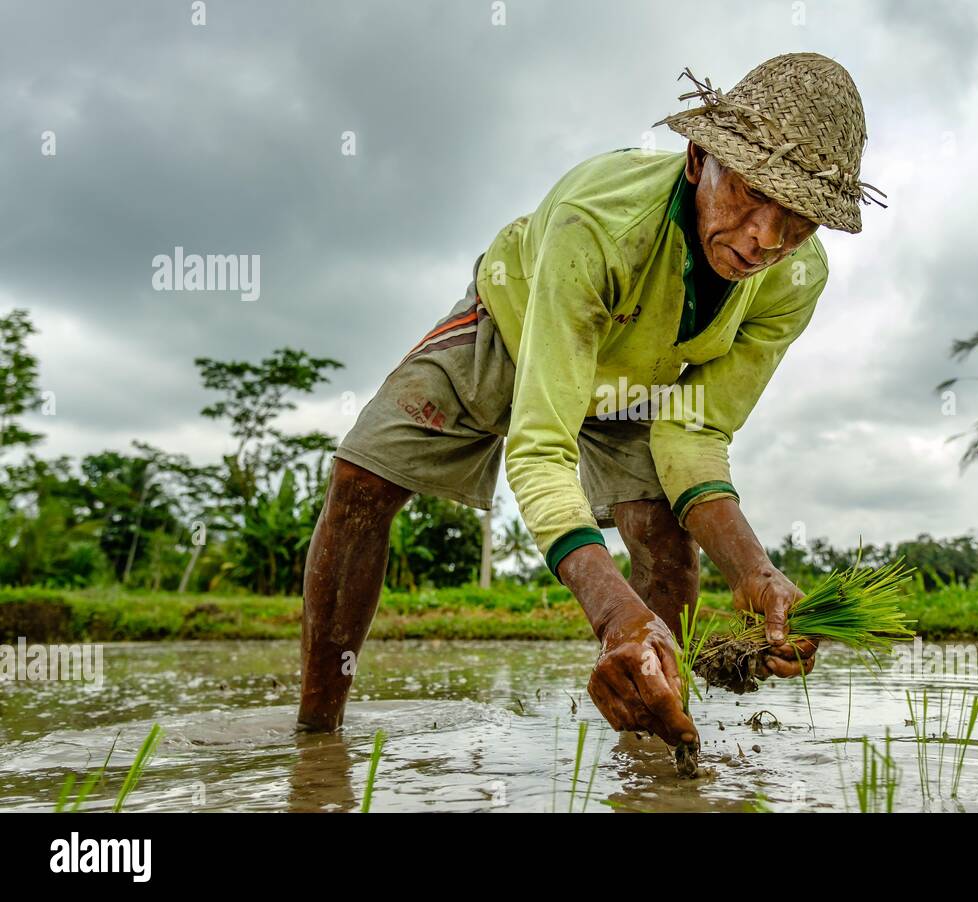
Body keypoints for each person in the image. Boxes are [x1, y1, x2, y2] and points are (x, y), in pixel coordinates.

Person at [296, 52, 884, 752]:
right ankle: (316, 736)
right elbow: (540, 450)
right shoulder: (600, 222)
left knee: (665, 543)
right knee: (362, 479)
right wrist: (612, 613)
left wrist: (755, 575)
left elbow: (693, 434)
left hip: (640, 375)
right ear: (699, 159)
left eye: (800, 220)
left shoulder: (795, 278)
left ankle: (662, 748)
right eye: (751, 195)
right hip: (514, 324)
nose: (766, 238)